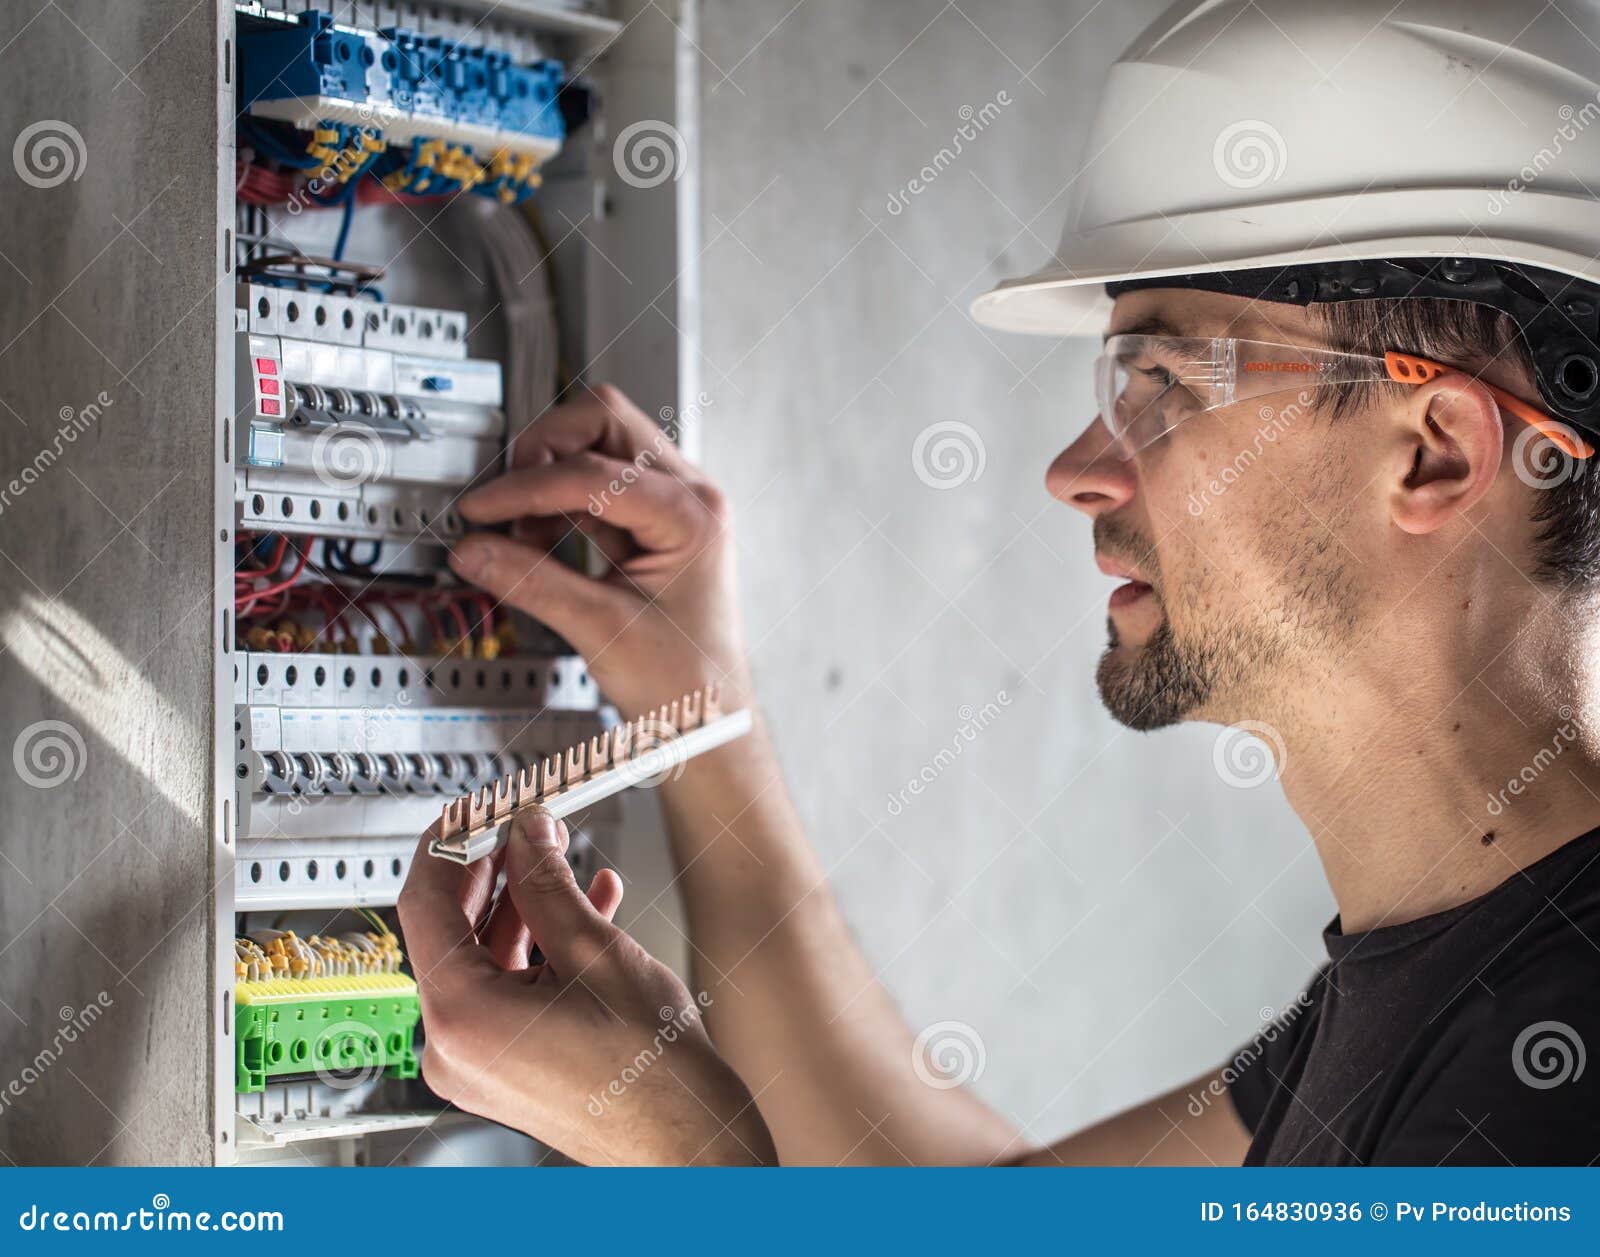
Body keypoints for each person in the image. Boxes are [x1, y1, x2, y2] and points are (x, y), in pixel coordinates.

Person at [398, 0, 1600, 1165]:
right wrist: (705, 708)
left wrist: (675, 1157)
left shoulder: (1550, 1079)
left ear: (1431, 450)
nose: (1075, 473)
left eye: (1161, 386)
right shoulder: (1436, 982)